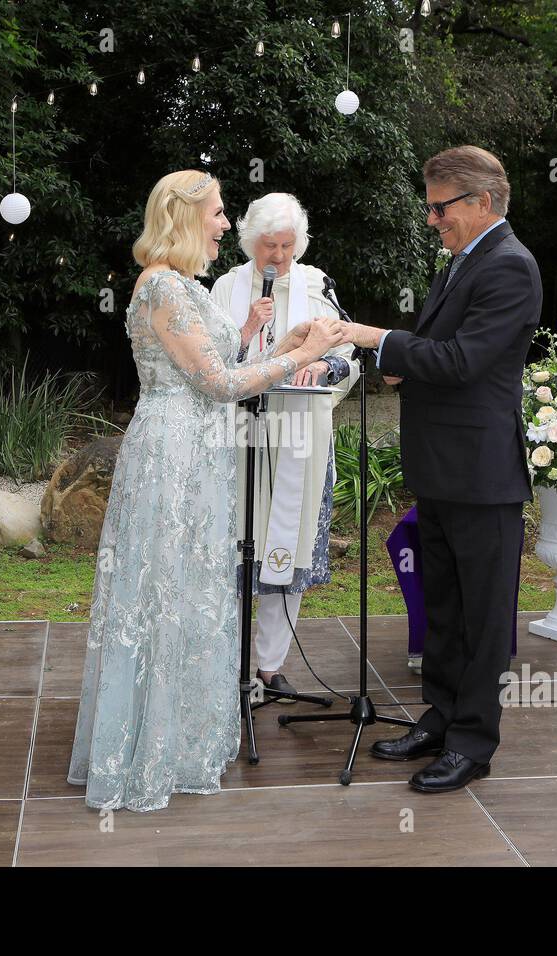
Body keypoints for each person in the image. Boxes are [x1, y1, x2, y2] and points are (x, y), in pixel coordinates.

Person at [66, 170, 345, 811]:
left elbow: (217, 362)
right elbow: (216, 383)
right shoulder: (161, 284)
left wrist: (284, 339)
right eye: (219, 214)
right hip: (172, 452)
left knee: (190, 588)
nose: (226, 224)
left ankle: (180, 735)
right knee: (165, 586)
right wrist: (298, 358)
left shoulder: (185, 285)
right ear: (186, 219)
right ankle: (144, 745)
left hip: (202, 450)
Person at [336, 146, 541, 792]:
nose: (431, 219)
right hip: (444, 472)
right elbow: (444, 355)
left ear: (482, 201)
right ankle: (442, 717)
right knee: (445, 609)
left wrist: (379, 341)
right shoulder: (464, 261)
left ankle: (474, 743)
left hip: (482, 478)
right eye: (430, 206)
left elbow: (463, 361)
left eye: (439, 207)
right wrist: (403, 363)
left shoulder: (510, 267)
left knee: (483, 619)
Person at [210, 192, 360, 703]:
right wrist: (246, 328)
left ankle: (271, 666)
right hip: (239, 434)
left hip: (302, 433)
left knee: (287, 546)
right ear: (251, 242)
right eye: (270, 246)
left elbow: (349, 354)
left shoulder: (319, 285)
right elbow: (208, 361)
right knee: (235, 546)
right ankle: (228, 662)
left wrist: (331, 365)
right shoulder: (226, 286)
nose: (279, 257)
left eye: (288, 246)